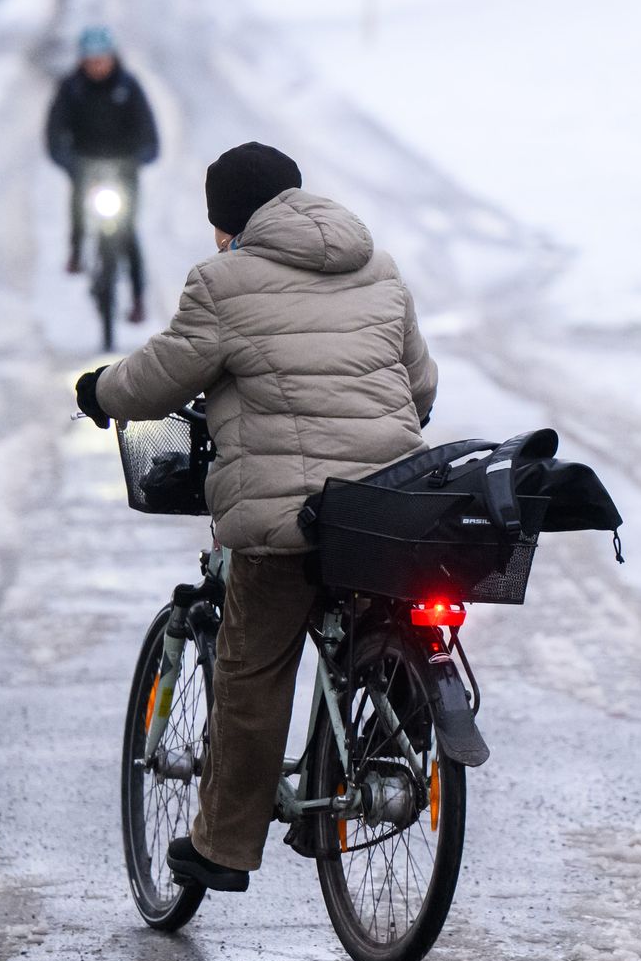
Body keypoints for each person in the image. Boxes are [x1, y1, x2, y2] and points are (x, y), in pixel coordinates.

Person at [74, 142, 438, 892]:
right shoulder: (378, 266)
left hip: (289, 518)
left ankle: (223, 845)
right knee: (377, 613)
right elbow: (421, 386)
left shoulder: (222, 282)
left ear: (226, 223)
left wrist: (99, 391)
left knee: (252, 665)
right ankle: (376, 756)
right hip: (389, 508)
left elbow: (159, 377)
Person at [45, 25, 160, 323]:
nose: (97, 66)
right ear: (82, 61)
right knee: (78, 209)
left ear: (112, 58)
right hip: (86, 166)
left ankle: (137, 300)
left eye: (102, 59)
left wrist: (144, 154)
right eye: (91, 60)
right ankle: (76, 252)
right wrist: (65, 159)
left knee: (128, 232)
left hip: (124, 169)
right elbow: (55, 130)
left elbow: (148, 129)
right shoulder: (71, 88)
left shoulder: (129, 87)